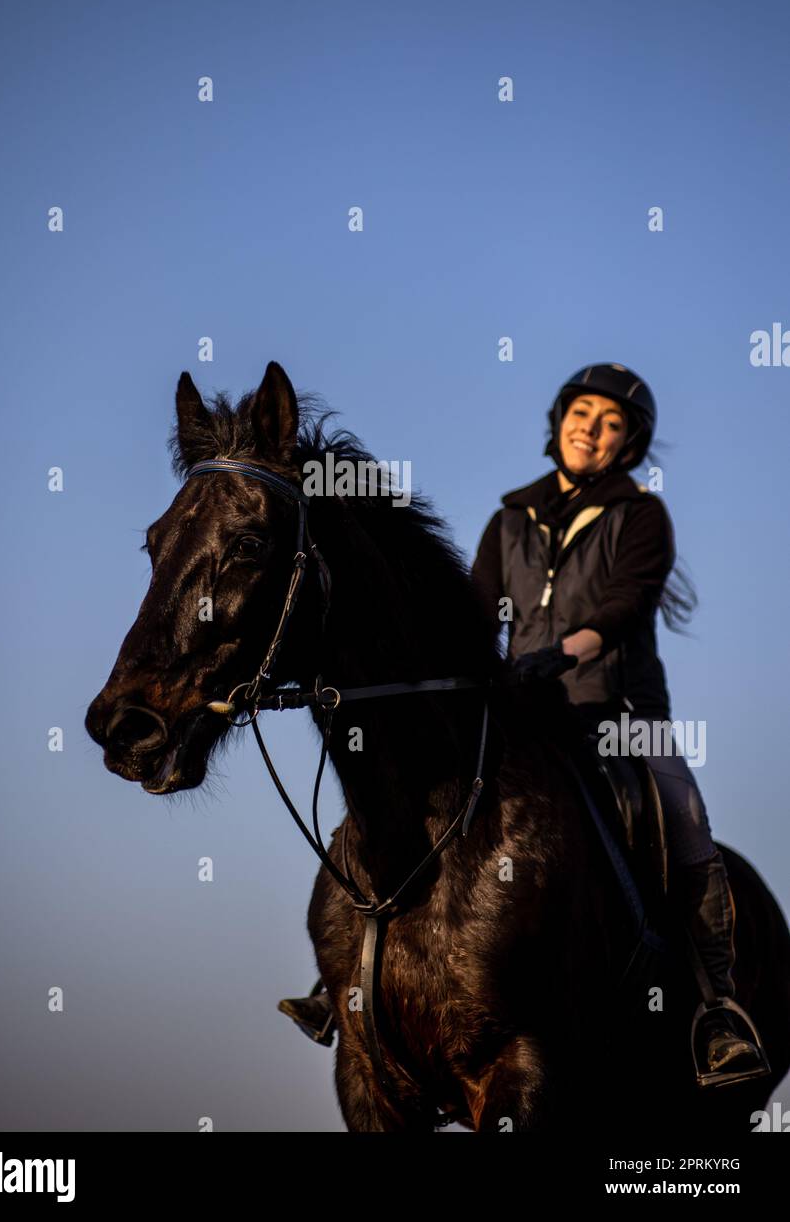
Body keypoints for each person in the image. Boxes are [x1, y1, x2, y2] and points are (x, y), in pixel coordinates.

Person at [278, 363, 766, 1085]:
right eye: (581, 414)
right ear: (559, 420)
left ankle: (716, 1007)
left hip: (617, 713)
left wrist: (560, 656)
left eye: (610, 423)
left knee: (682, 815)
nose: (590, 431)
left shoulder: (642, 517)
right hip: (521, 707)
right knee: (399, 788)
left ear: (627, 444)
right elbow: (470, 615)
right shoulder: (510, 518)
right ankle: (341, 980)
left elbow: (623, 608)